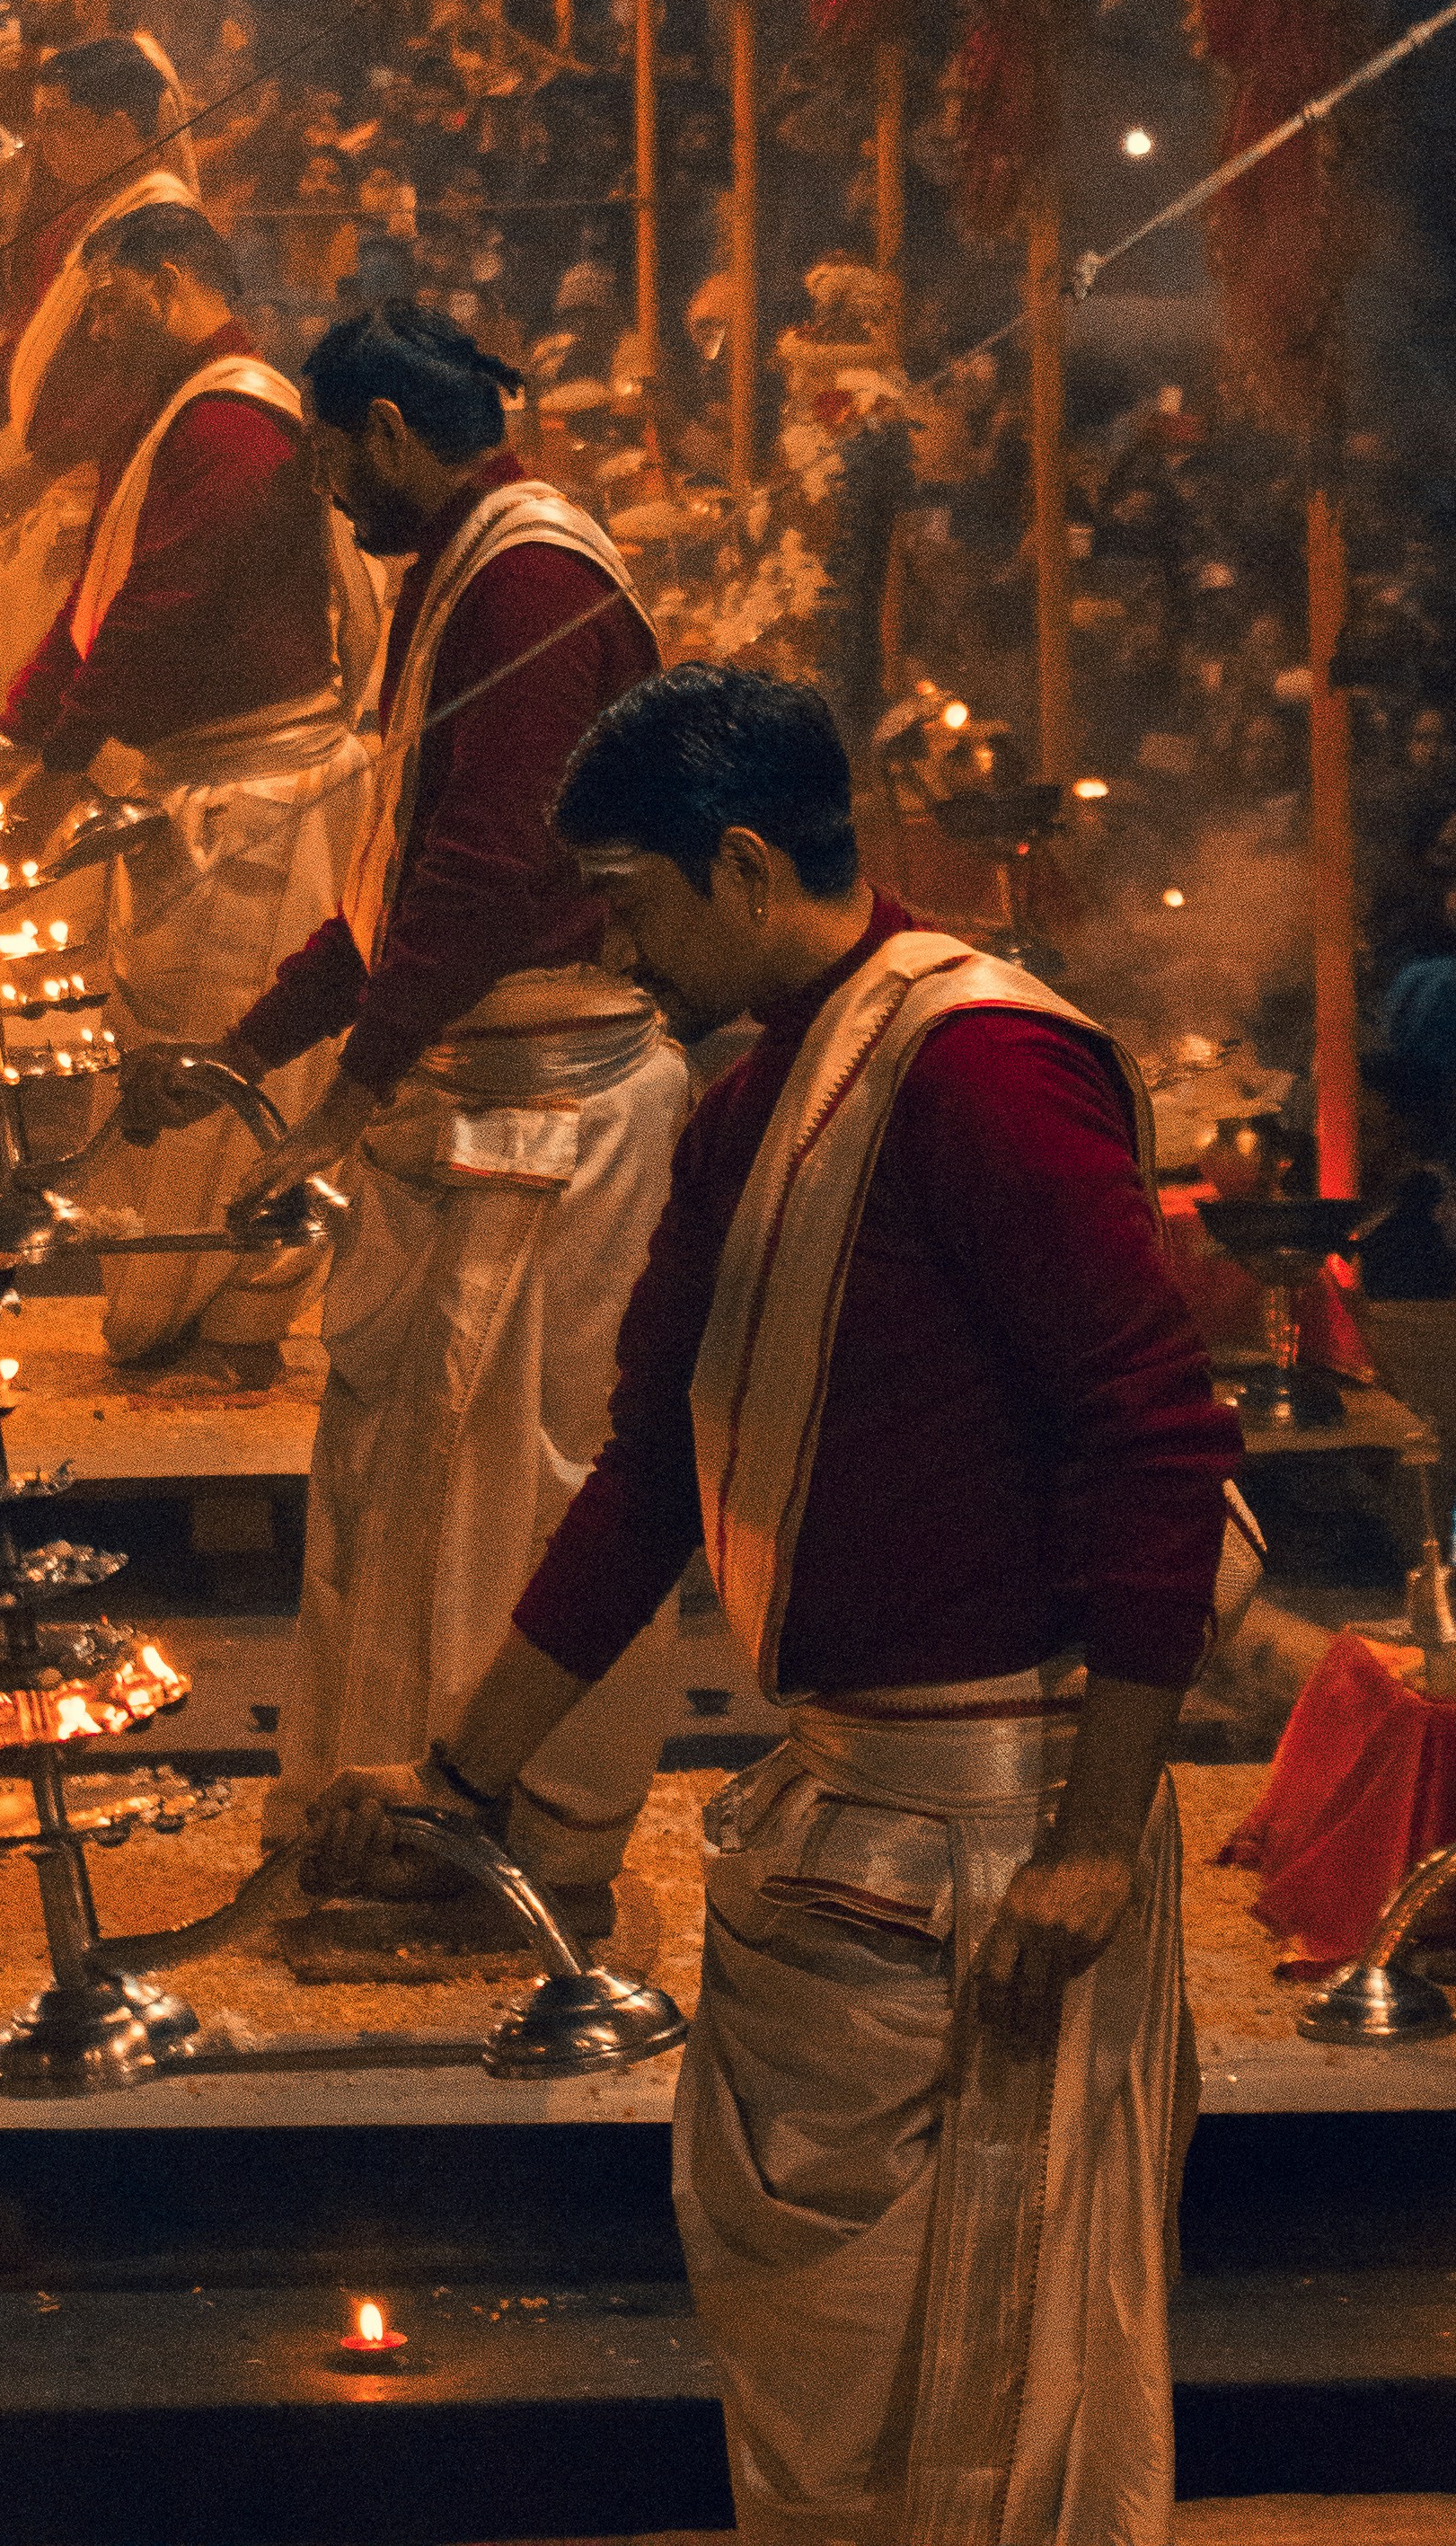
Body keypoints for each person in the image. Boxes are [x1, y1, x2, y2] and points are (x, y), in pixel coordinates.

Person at [302, 662, 1246, 2546]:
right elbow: (646, 1468)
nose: (608, 953)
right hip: (846, 1816)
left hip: (991, 1842)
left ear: (741, 868)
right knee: (839, 2423)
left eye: (628, 905)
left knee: (979, 2418)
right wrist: (457, 1774)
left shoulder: (975, 1069)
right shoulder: (750, 1104)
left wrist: (1090, 1839)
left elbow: (1152, 1437)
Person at [120, 300, 670, 1920]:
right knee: (401, 1486)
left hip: (551, 1124)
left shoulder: (533, 579)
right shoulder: (460, 568)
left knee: (513, 1504)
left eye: (336, 468)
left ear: (382, 435)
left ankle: (505, 1843)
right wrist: (252, 1045)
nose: (332, 511)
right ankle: (389, 1820)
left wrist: (334, 1104)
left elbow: (492, 873)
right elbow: (396, 872)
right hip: (475, 1105)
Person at [3, 201, 377, 1364]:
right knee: (163, 1040)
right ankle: (175, 1311)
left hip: (255, 799)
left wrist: (59, 767)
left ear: (170, 281)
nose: (98, 331)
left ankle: (237, 1319)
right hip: (194, 786)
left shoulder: (232, 428)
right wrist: (23, 733)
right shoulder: (170, 414)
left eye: (111, 304)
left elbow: (157, 615)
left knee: (223, 1061)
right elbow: (100, 599)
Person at [0, 37, 199, 686]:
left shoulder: (161, 230)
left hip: (121, 489)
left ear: (120, 127)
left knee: (92, 672)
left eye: (60, 125)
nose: (42, 144)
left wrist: (43, 468)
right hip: (59, 478)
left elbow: (143, 380)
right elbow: (30, 343)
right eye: (37, 124)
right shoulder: (79, 218)